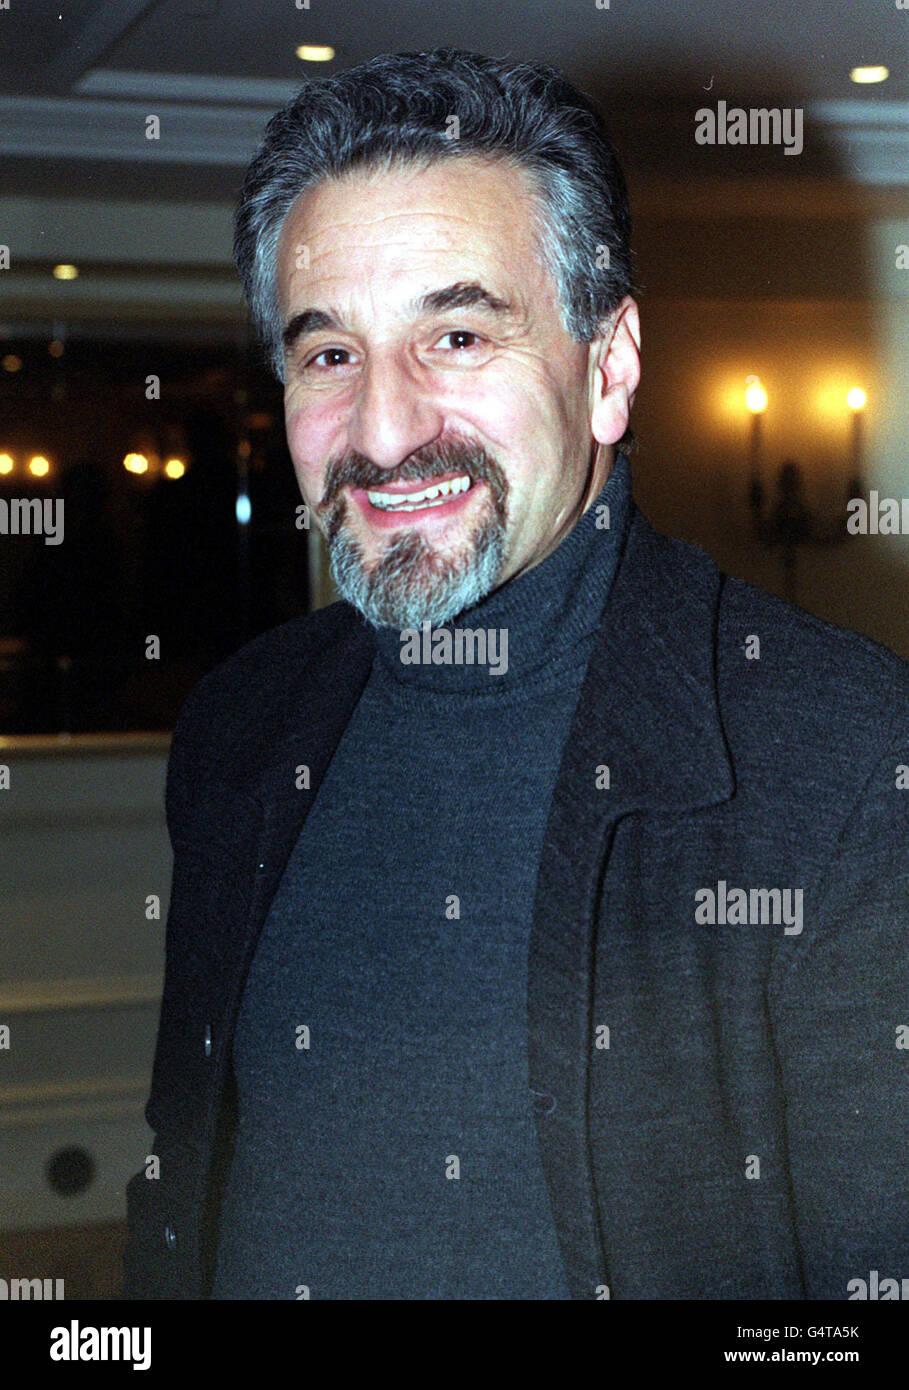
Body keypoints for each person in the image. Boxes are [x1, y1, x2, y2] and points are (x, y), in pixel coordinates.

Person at [125, 48, 909, 1300]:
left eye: (457, 334)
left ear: (609, 369)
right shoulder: (238, 724)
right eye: (329, 355)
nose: (382, 432)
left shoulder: (843, 758)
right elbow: (184, 1173)